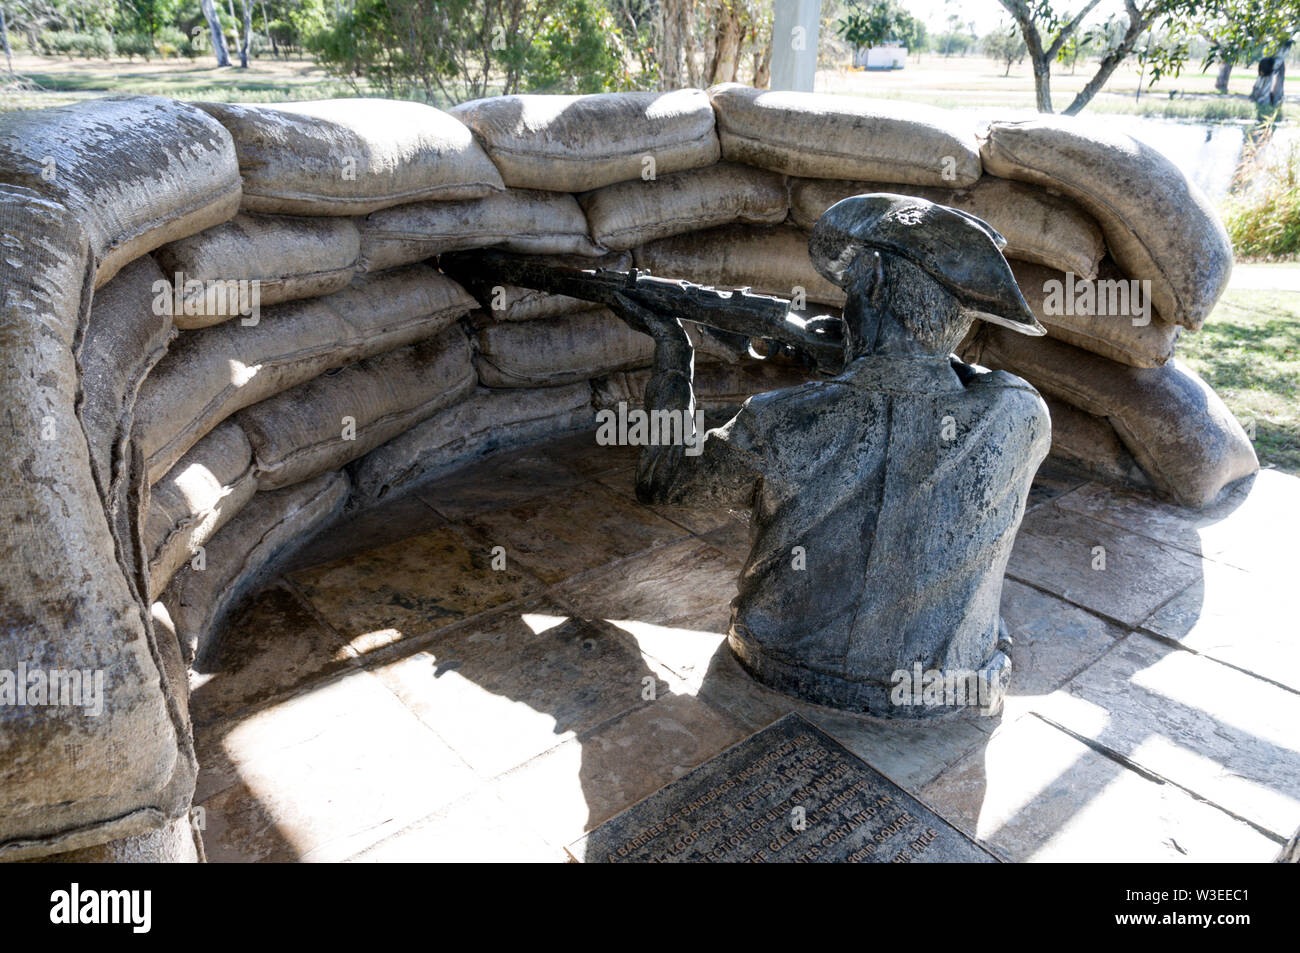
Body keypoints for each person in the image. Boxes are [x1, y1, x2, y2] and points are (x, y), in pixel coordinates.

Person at [609, 194, 1051, 717]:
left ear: (878, 280)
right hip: (957, 682)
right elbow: (946, 385)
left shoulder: (778, 418)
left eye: (850, 286)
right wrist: (874, 357)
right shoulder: (1023, 413)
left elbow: (662, 479)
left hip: (786, 661)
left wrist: (672, 353)